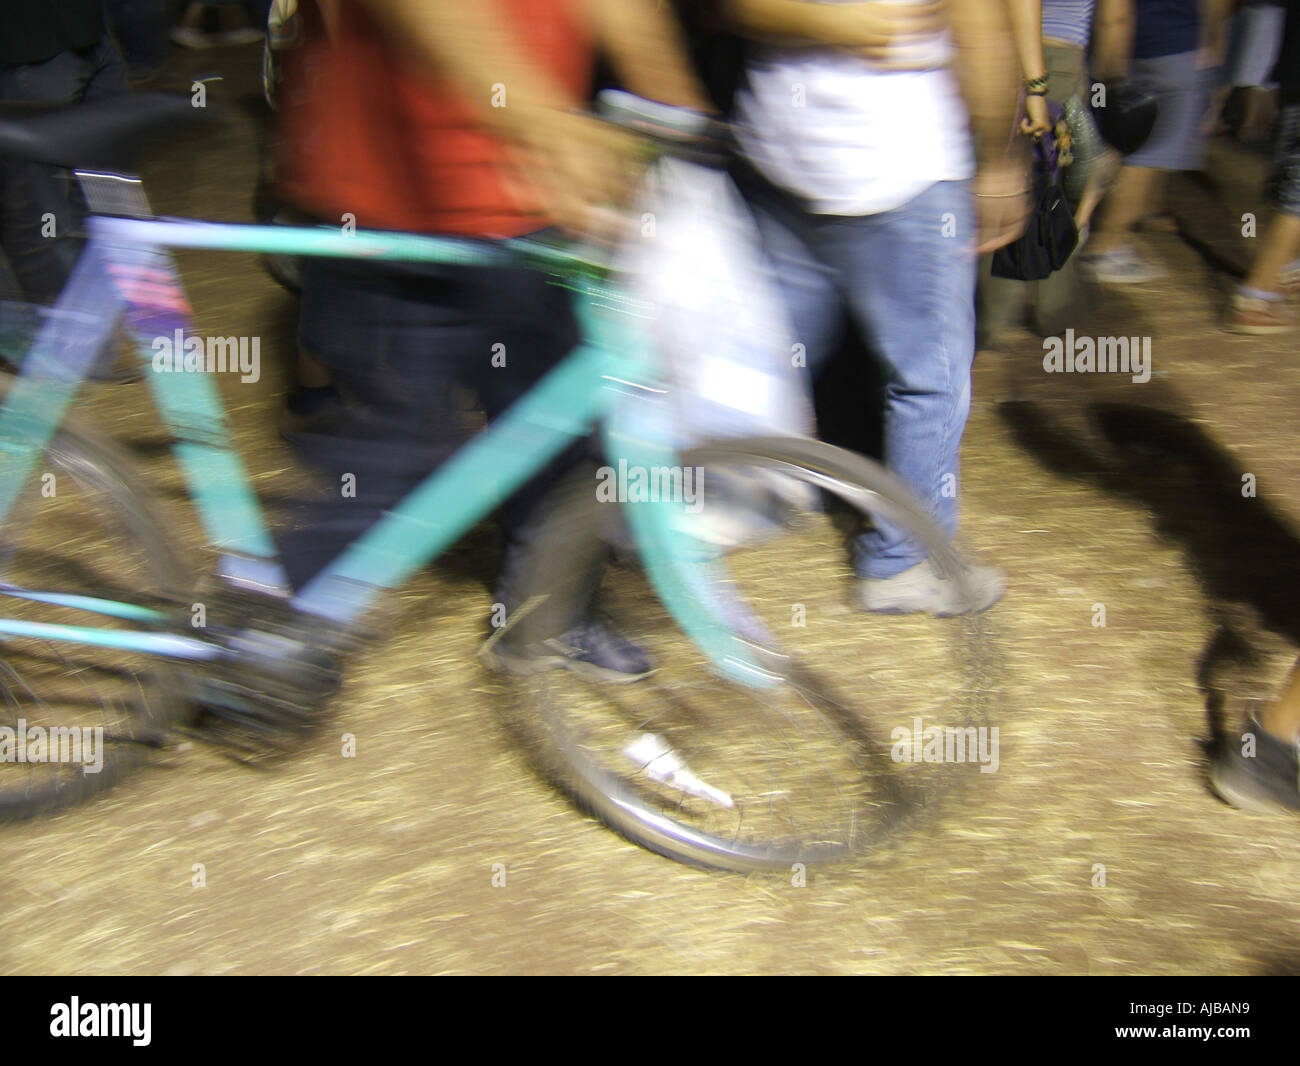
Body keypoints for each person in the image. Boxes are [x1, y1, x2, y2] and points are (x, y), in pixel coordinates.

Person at [273, 0, 713, 680]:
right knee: (394, 452)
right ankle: (264, 636)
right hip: (394, 199)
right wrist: (542, 124)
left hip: (524, 194)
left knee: (561, 421)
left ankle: (547, 621)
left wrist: (675, 108)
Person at [723, 0, 1028, 615]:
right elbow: (984, 33)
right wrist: (998, 160)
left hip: (781, 154)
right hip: (899, 167)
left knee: (765, 351)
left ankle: (686, 503)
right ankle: (904, 561)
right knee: (930, 379)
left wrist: (816, 21)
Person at [1080, 0, 1230, 282]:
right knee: (1147, 156)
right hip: (1172, 48)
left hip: (1109, 46)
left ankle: (1094, 228)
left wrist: (1106, 73)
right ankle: (1108, 244)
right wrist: (1215, 48)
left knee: (1112, 142)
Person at [1223, 0, 1300, 333]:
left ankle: (1284, 269)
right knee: (1296, 195)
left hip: (1293, 80)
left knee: (1287, 180)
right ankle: (1257, 296)